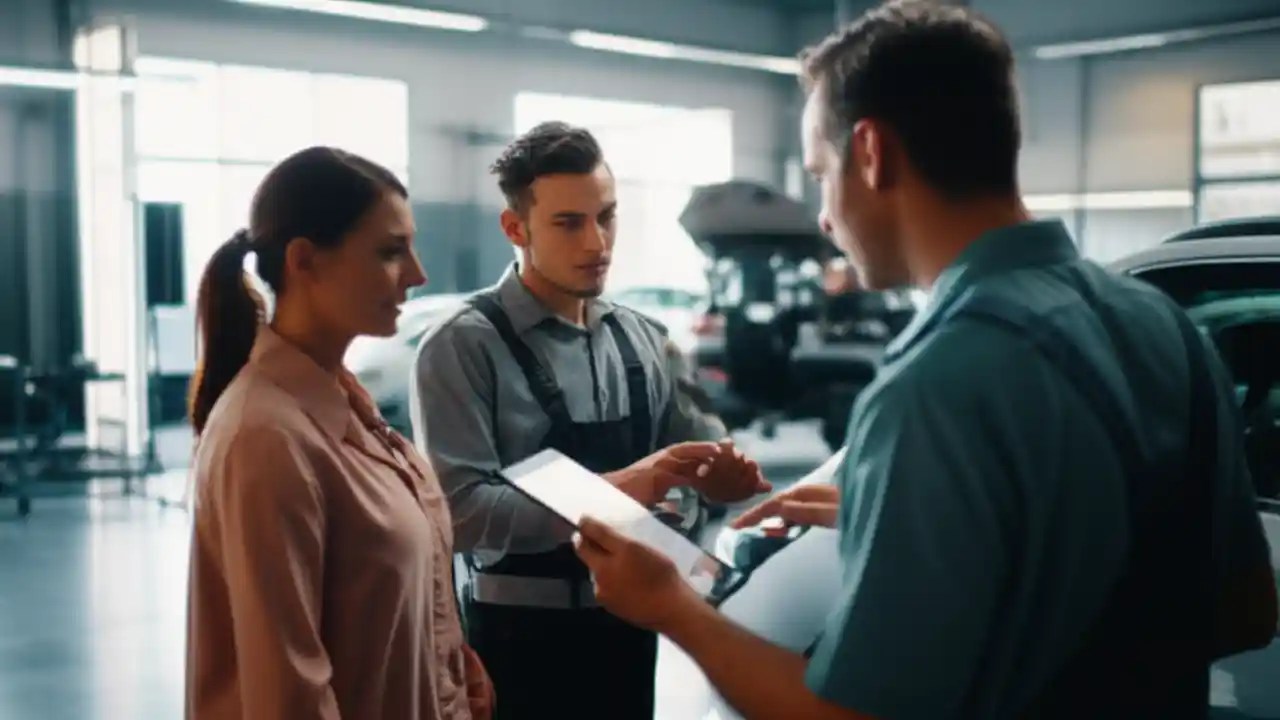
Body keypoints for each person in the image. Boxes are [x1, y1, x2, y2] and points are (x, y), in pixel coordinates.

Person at [574, 2, 1279, 719]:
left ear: (873, 152)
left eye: (821, 173)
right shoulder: (1160, 322)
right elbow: (1247, 612)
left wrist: (671, 607)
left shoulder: (936, 383)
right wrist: (946, 532)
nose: (822, 217)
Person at [411, 121, 768, 720]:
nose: (597, 243)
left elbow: (698, 464)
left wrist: (711, 491)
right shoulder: (461, 347)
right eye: (568, 223)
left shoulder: (645, 339)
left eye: (607, 216)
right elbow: (461, 512)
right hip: (516, 643)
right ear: (515, 228)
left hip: (631, 630)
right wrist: (636, 487)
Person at [185, 146, 494, 720]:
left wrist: (448, 670)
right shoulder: (266, 437)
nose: (419, 275)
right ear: (305, 260)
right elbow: (288, 692)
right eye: (390, 251)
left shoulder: (347, 408)